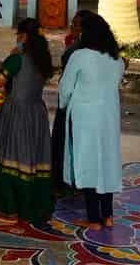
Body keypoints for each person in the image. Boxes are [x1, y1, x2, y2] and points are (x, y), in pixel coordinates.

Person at [0, 18, 56, 225]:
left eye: (18, 34)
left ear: (24, 36)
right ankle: (30, 207)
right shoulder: (43, 60)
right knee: (30, 161)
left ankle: (8, 209)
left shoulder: (17, 59)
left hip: (15, 112)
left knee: (10, 157)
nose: (16, 38)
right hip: (36, 113)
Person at [58, 12, 126, 231]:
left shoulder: (80, 56)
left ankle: (93, 219)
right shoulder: (117, 60)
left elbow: (65, 89)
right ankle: (108, 216)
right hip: (108, 117)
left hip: (84, 118)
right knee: (106, 161)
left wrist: (63, 105)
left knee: (87, 162)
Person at [51, 10, 90, 196]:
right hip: (77, 103)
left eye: (77, 25)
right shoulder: (79, 46)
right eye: (72, 24)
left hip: (71, 103)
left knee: (65, 142)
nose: (72, 28)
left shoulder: (78, 51)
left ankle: (64, 182)